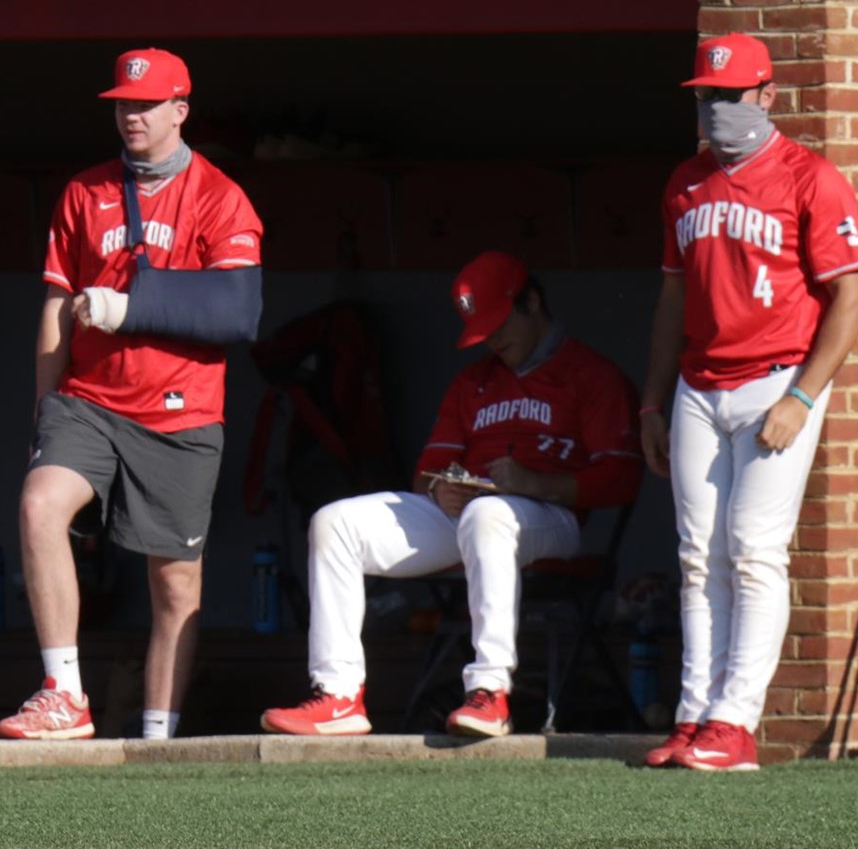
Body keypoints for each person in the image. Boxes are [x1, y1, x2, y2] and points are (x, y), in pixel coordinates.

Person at [260, 250, 642, 738]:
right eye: (484, 331)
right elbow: (427, 473)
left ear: (532, 301)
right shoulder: (473, 382)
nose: (494, 341)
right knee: (335, 523)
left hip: (552, 517)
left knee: (488, 515)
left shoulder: (592, 375)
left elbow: (622, 479)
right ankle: (339, 695)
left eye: (501, 324)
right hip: (471, 514)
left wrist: (535, 484)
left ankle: (490, 692)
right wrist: (442, 489)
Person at [0, 48, 264, 741]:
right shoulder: (84, 192)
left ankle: (158, 737)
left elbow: (237, 311)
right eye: (121, 103)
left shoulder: (219, 196)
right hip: (88, 400)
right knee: (38, 503)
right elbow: (56, 306)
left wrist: (128, 307)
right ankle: (64, 694)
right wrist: (44, 402)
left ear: (181, 110)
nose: (131, 115)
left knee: (174, 584)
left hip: (180, 411)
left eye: (145, 104)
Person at [638, 33, 858, 771]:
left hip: (777, 376)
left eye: (729, 96)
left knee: (753, 550)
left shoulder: (810, 176)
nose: (715, 110)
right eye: (706, 97)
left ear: (767, 97)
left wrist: (804, 394)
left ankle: (736, 723)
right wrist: (650, 400)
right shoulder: (684, 183)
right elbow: (673, 298)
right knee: (698, 557)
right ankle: (695, 714)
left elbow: (853, 298)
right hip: (699, 386)